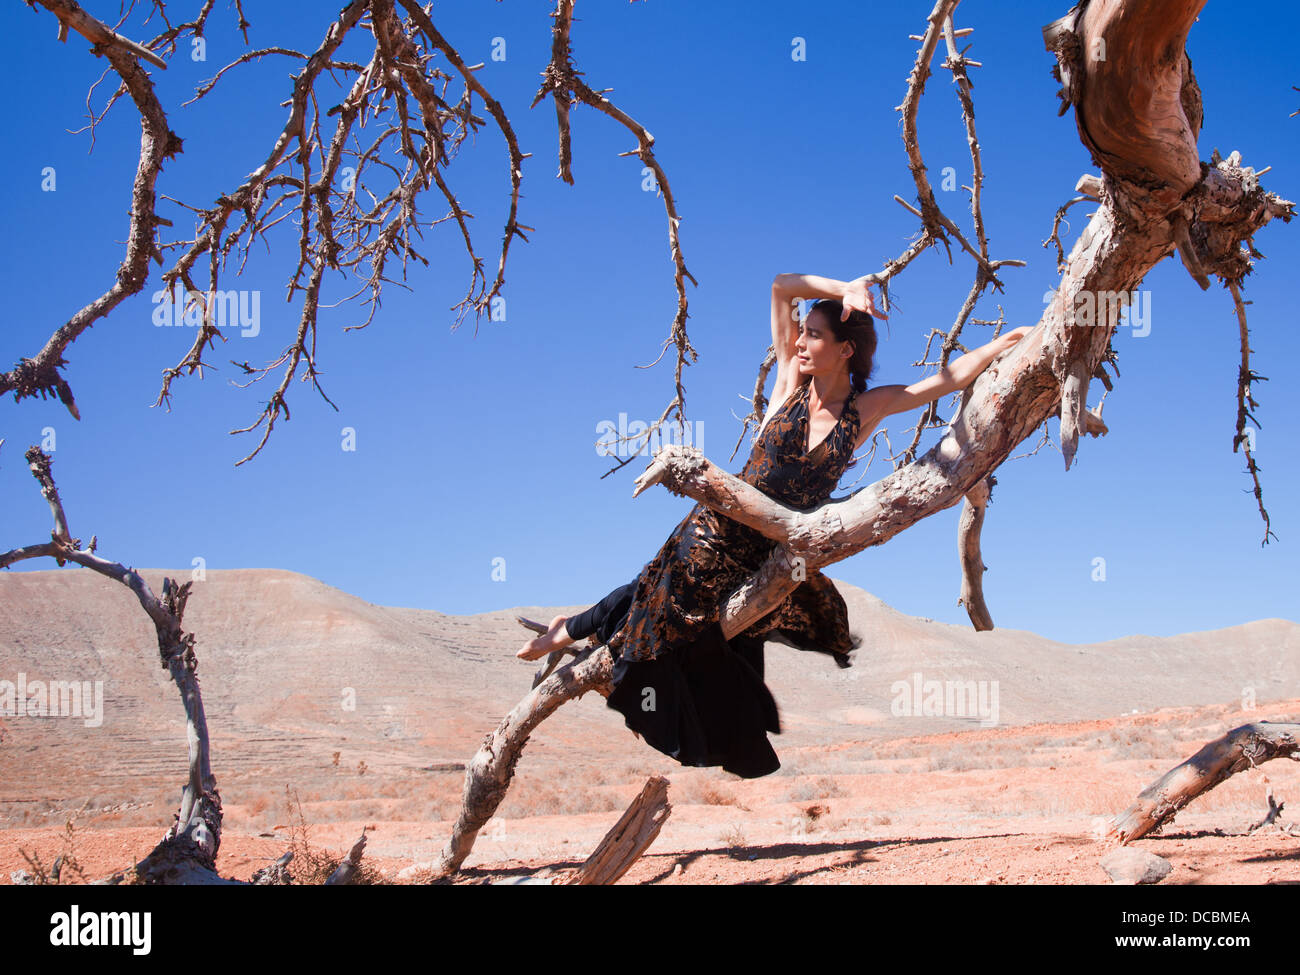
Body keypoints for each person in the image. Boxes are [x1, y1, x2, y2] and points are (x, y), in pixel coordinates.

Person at [519, 272, 1033, 778]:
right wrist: (842, 291)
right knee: (660, 605)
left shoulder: (866, 410)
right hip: (714, 531)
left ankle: (571, 630)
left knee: (699, 630)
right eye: (802, 331)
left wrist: (1007, 342)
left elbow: (947, 379)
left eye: (814, 334)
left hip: (766, 550)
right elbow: (782, 287)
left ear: (845, 349)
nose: (802, 341)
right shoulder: (789, 380)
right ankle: (574, 635)